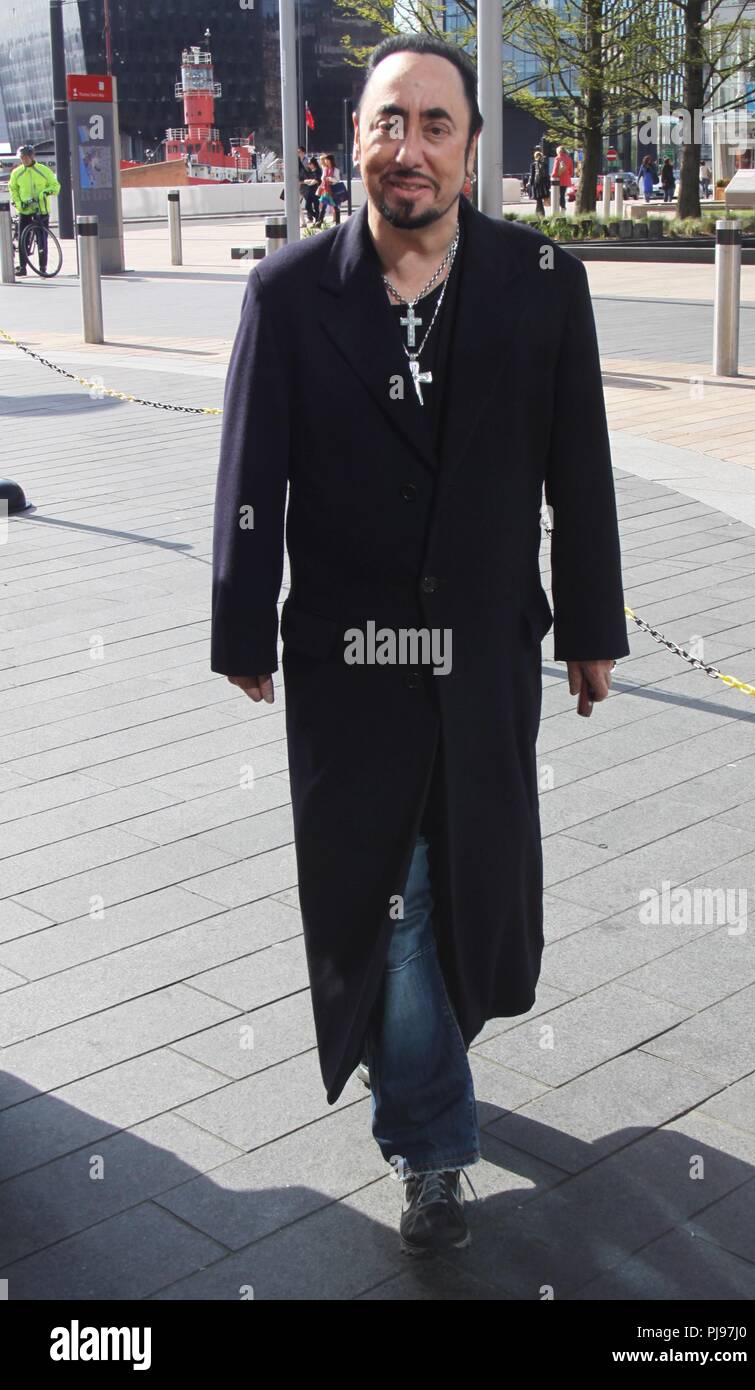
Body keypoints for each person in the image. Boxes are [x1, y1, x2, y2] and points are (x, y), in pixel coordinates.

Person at [211, 32, 628, 1258]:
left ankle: (437, 1050)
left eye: (434, 125)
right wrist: (242, 618)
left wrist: (589, 628)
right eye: (389, 122)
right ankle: (432, 1144)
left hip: (484, 647)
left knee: (474, 876)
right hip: (349, 662)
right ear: (355, 138)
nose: (410, 148)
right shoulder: (288, 293)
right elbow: (252, 475)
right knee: (386, 896)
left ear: (471, 148)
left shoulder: (543, 278)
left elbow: (580, 473)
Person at [9, 144, 60, 276]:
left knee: (42, 239)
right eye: (21, 157)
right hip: (25, 210)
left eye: (26, 157)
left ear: (32, 156)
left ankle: (42, 267)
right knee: (22, 239)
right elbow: (13, 189)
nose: (24, 160)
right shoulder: (17, 172)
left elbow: (55, 186)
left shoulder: (43, 170)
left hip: (41, 210)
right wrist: (19, 204)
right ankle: (22, 267)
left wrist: (45, 192)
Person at [315, 153, 342, 226]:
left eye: (327, 159)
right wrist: (323, 178)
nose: (325, 161)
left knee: (335, 207)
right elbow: (322, 178)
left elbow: (337, 180)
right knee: (323, 207)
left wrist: (329, 178)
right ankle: (319, 222)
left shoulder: (336, 170)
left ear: (330, 160)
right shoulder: (325, 169)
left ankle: (338, 223)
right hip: (326, 190)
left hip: (333, 190)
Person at [528, 147, 551, 217]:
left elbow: (532, 176)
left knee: (539, 201)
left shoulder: (533, 165)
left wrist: (530, 184)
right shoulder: (545, 164)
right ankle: (541, 215)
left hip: (536, 185)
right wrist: (548, 185)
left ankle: (539, 215)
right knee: (540, 201)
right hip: (544, 185)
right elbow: (547, 175)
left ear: (535, 157)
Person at [551, 145, 573, 211]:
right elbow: (571, 171)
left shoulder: (558, 158)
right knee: (562, 194)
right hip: (566, 180)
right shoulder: (569, 159)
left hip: (558, 180)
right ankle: (563, 208)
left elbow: (555, 170)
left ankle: (558, 208)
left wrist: (552, 176)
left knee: (556, 195)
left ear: (558, 151)